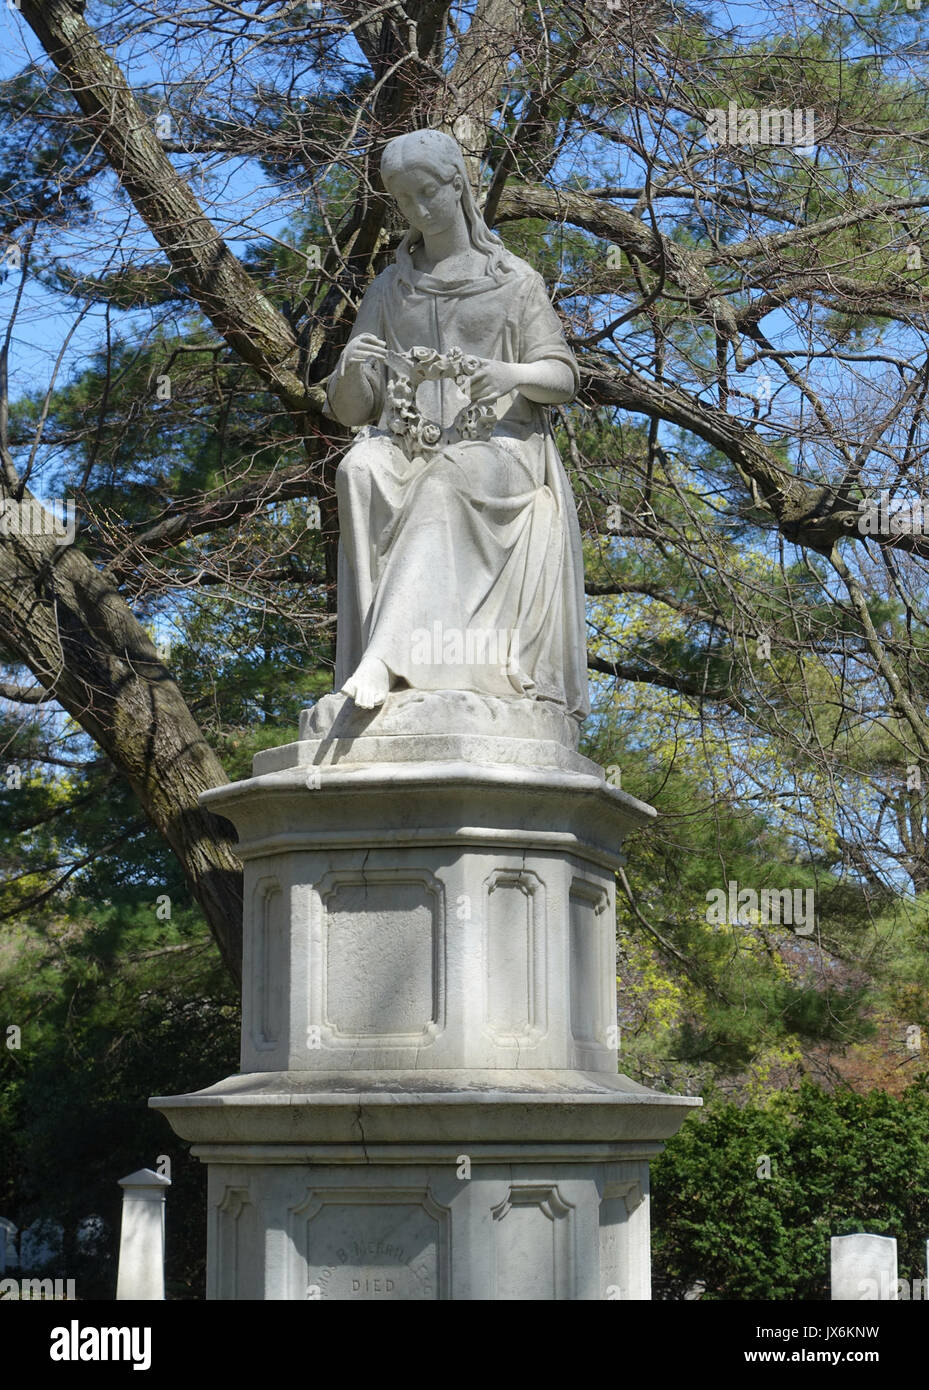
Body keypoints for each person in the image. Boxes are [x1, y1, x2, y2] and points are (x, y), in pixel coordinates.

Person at [325, 128, 589, 723]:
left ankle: (386, 660)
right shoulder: (390, 289)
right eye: (404, 200)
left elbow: (563, 377)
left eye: (427, 193)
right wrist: (351, 371)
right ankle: (379, 656)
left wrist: (512, 373)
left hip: (499, 451)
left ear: (459, 185)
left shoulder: (514, 281)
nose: (418, 211)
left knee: (449, 474)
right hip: (407, 448)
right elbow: (351, 413)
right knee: (359, 466)